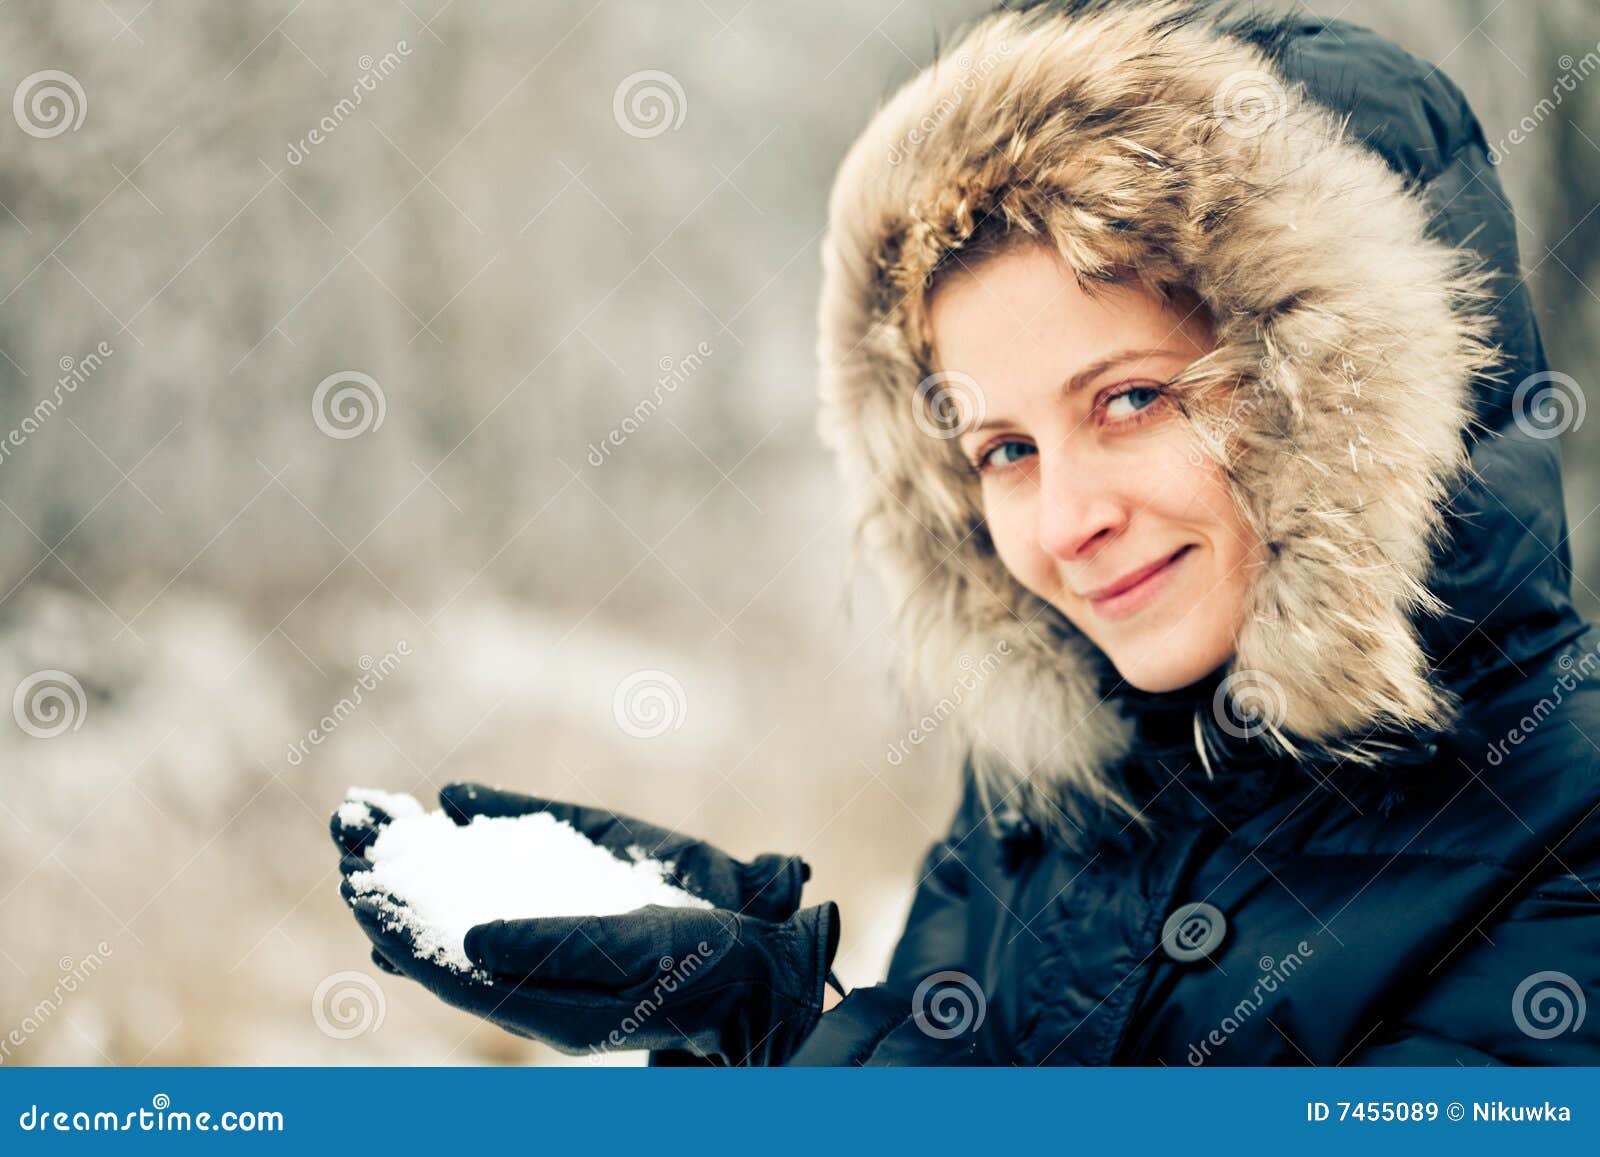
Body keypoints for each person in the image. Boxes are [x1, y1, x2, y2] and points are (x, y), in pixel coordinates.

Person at [332, 0, 1600, 1065]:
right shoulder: (1049, 790)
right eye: (1003, 449)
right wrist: (768, 1022)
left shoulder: (1567, 833)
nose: (1064, 521)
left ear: (1345, 396)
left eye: (1132, 398)